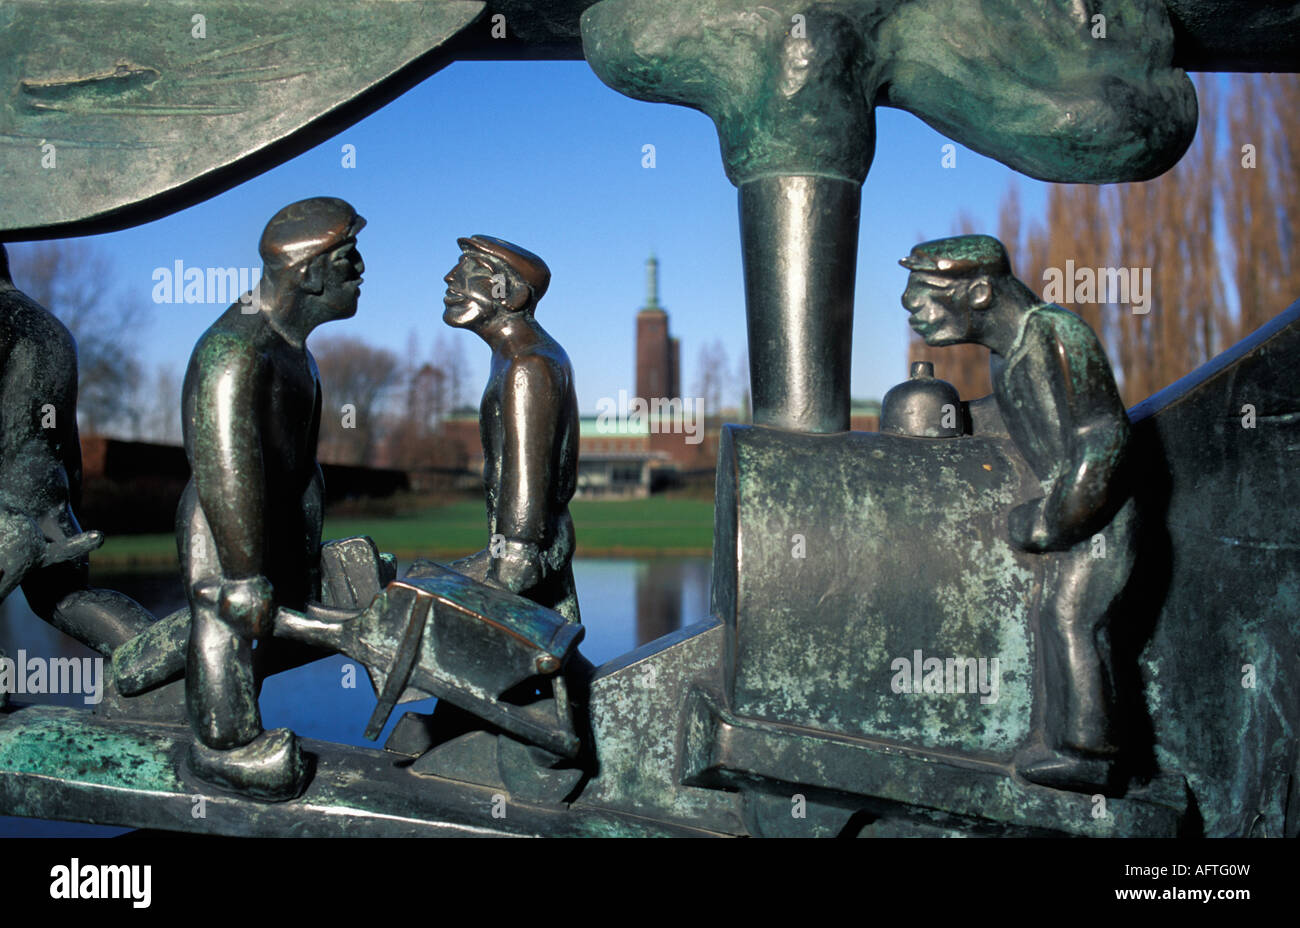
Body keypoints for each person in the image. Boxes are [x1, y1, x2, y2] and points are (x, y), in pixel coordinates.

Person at [900, 234, 1136, 793]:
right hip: (1072, 521)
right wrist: (947, 419)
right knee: (1057, 618)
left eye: (928, 303)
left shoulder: (1056, 334)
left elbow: (1104, 436)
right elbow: (1007, 419)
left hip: (1095, 521)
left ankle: (1089, 754)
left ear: (979, 291)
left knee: (1071, 620)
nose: (919, 319)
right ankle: (1072, 743)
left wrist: (1053, 520)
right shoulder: (1009, 357)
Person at [177, 197, 364, 799]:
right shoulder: (236, 349)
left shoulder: (295, 352)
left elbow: (301, 466)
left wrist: (306, 555)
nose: (360, 271)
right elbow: (226, 468)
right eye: (348, 259)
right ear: (309, 273)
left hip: (275, 517)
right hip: (226, 521)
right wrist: (241, 572)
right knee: (223, 618)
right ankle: (222, 746)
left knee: (261, 621)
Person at [0, 244, 152, 664]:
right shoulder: (53, 329)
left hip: (4, 508)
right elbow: (67, 434)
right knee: (65, 600)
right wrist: (67, 508)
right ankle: (159, 659)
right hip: (49, 497)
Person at [430, 235, 580, 623]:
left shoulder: (528, 366)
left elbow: (526, 479)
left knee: (411, 608)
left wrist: (515, 552)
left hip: (525, 553)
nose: (450, 279)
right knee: (417, 581)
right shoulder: (520, 358)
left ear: (511, 295)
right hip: (522, 548)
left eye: (471, 273)